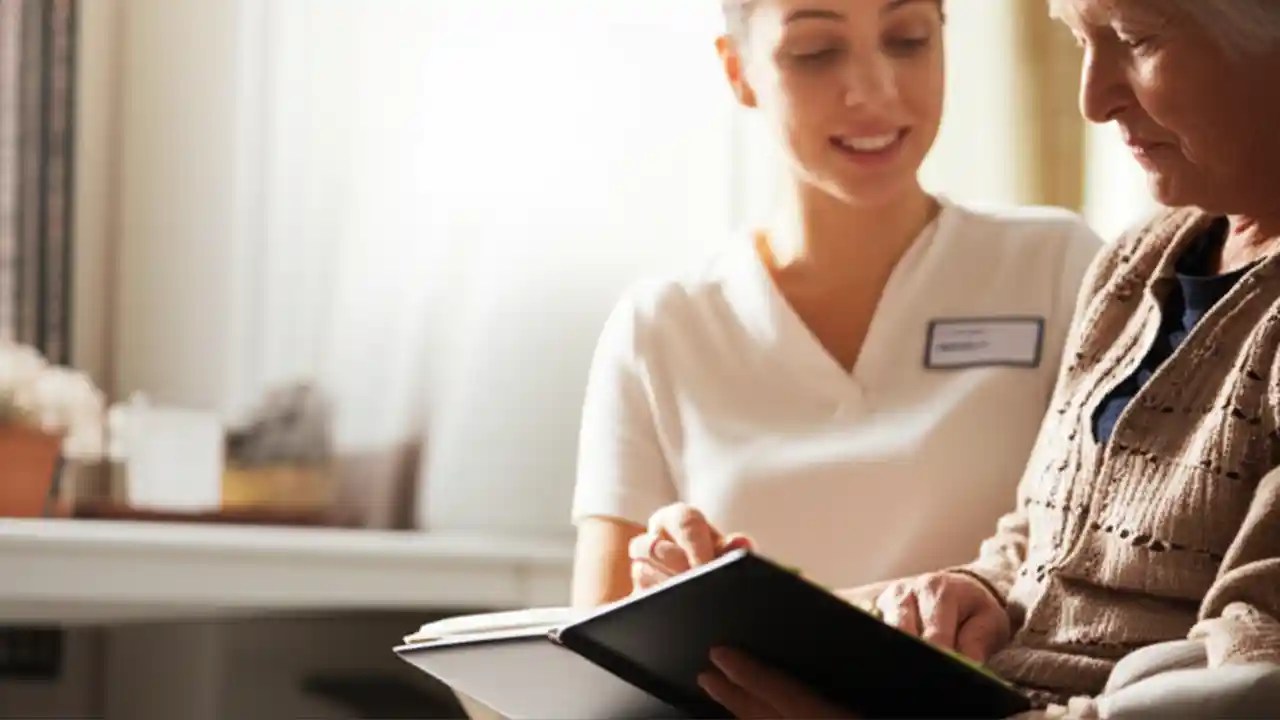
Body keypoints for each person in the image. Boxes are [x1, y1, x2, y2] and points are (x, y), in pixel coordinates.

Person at [660, 0, 1280, 715]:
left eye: (1136, 39)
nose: (1092, 100)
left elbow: (1248, 685)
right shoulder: (1135, 264)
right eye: (1081, 43)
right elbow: (1047, 541)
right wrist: (981, 590)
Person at [570, 0, 1103, 606]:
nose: (875, 89)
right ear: (738, 71)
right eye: (816, 53)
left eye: (908, 39)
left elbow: (1118, 576)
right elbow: (598, 639)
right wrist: (666, 585)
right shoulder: (661, 327)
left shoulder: (1058, 267)